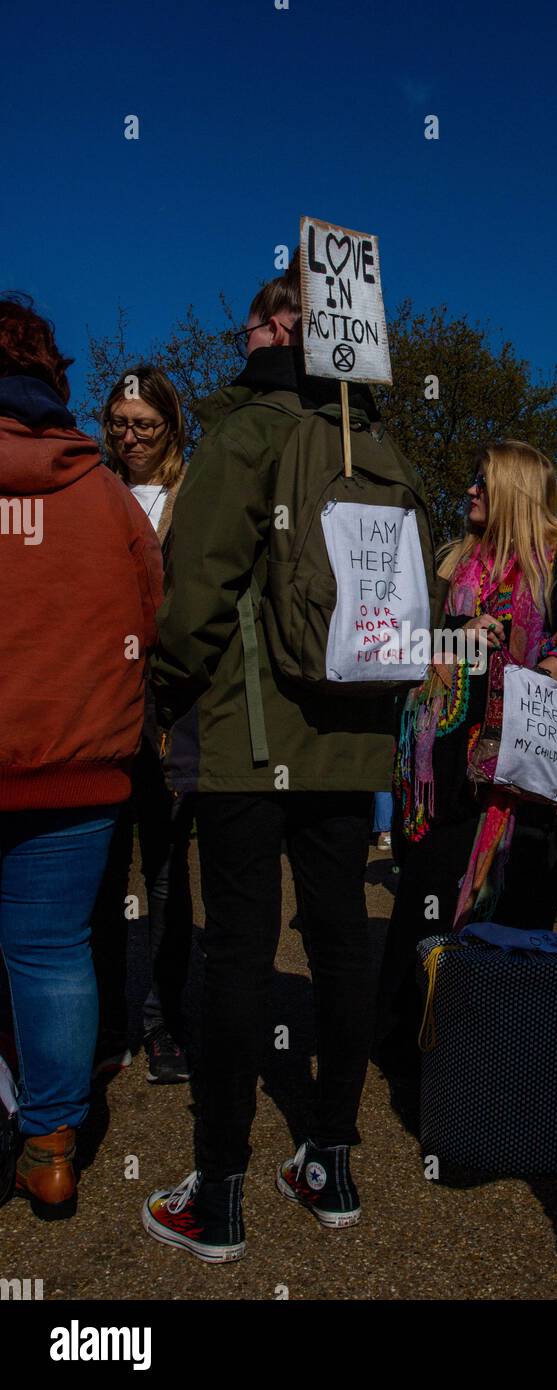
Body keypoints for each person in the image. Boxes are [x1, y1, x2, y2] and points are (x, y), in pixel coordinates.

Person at [142, 255, 415, 1261]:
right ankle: (330, 1160)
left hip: (252, 738)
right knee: (341, 940)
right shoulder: (374, 442)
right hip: (351, 735)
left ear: (283, 331)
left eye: (256, 323)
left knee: (239, 949)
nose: (246, 338)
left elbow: (197, 593)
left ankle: (217, 1191)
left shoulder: (246, 432)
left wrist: (164, 686)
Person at [376, 441, 557, 1089]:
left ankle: (499, 1055)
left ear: (515, 486)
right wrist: (462, 637)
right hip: (447, 774)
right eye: (472, 480)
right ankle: (414, 1046)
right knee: (428, 898)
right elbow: (406, 643)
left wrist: (517, 686)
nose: (471, 491)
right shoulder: (451, 562)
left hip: (529, 771)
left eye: (483, 482)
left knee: (518, 904)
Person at [0, 294, 162, 1211]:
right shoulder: (107, 496)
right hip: (78, 762)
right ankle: (52, 1147)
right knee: (55, 950)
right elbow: (151, 612)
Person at [90, 366, 195, 1084]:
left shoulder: (193, 498)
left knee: (164, 872)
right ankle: (104, 1026)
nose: (130, 438)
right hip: (99, 703)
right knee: (100, 871)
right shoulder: (92, 492)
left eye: (144, 426)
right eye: (119, 424)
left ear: (171, 427)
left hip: (169, 707)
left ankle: (163, 1023)